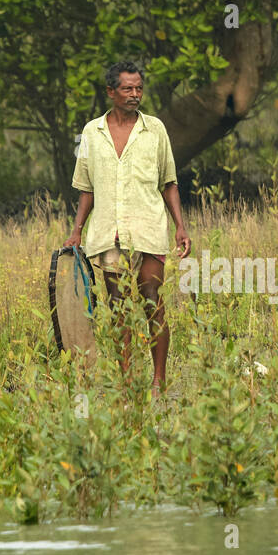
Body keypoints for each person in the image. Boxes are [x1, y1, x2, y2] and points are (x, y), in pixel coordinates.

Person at [63, 60, 192, 396]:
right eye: (127, 89)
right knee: (118, 305)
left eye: (139, 88)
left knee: (152, 301)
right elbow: (86, 188)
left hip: (148, 229)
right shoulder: (92, 132)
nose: (135, 95)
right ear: (111, 92)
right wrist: (77, 230)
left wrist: (180, 227)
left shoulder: (155, 130)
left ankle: (158, 381)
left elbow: (169, 182)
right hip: (108, 234)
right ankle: (126, 379)